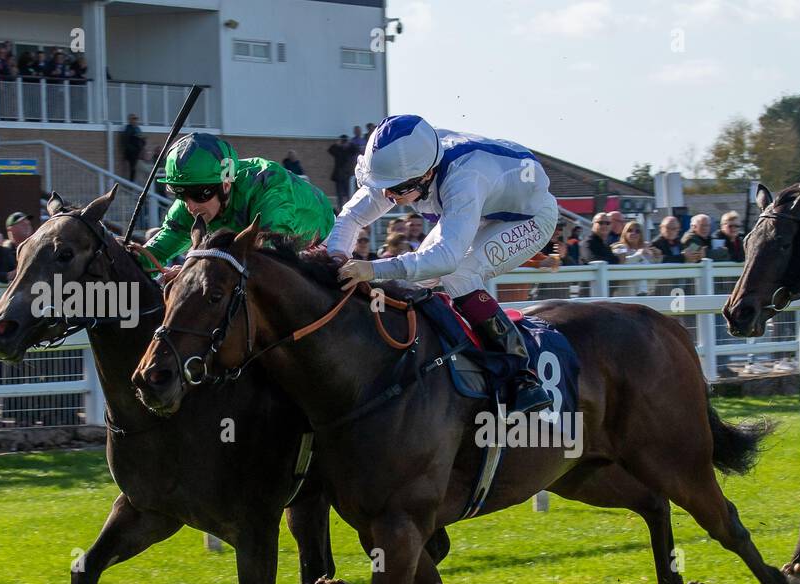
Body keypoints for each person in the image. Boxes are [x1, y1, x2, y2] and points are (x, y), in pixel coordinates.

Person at [328, 114, 553, 415]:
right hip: (487, 204)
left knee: (459, 274)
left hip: (530, 217)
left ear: (426, 175)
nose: (386, 196)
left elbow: (445, 260)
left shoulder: (464, 178)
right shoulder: (403, 168)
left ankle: (521, 375)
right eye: (383, 187)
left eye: (395, 190)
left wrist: (372, 269)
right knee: (412, 282)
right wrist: (334, 259)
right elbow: (350, 217)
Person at [138, 132, 334, 274]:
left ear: (225, 185)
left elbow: (267, 261)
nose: (191, 206)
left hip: (319, 242)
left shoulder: (268, 187)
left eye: (199, 194)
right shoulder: (191, 203)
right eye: (179, 193)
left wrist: (189, 272)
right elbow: (154, 254)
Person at [327, 134, 358, 211]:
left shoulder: (350, 150)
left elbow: (356, 150)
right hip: (339, 175)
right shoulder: (338, 149)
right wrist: (337, 144)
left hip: (348, 175)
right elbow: (330, 150)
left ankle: (349, 208)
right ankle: (340, 209)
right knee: (339, 195)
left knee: (349, 194)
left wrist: (349, 144)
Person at [120, 114, 145, 183]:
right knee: (130, 168)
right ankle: (129, 183)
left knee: (134, 169)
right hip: (130, 153)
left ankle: (132, 183)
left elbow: (142, 139)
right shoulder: (128, 129)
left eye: (135, 119)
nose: (135, 121)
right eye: (133, 119)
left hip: (137, 152)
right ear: (130, 120)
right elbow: (125, 140)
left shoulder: (138, 129)